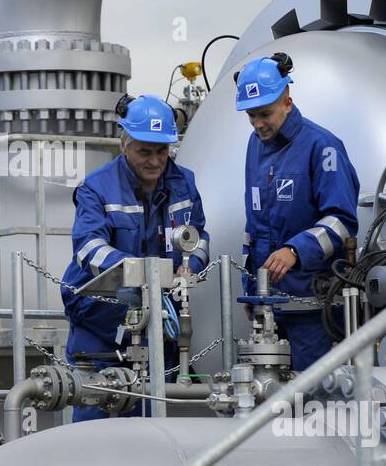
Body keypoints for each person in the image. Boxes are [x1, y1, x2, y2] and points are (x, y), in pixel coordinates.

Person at [60, 94, 210, 420]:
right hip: (100, 323)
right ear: (125, 143)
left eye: (162, 151)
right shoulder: (97, 187)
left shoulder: (184, 183)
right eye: (145, 151)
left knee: (153, 429)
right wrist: (139, 272)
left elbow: (197, 237)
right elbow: (87, 247)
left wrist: (190, 266)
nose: (155, 161)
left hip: (157, 326)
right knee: (93, 433)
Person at [237, 53, 359, 371]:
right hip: (269, 305)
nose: (258, 124)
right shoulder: (255, 145)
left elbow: (342, 220)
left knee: (315, 401)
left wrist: (295, 250)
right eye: (251, 116)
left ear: (287, 101)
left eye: (265, 113)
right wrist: (253, 288)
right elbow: (256, 225)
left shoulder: (322, 146)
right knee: (272, 401)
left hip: (313, 307)